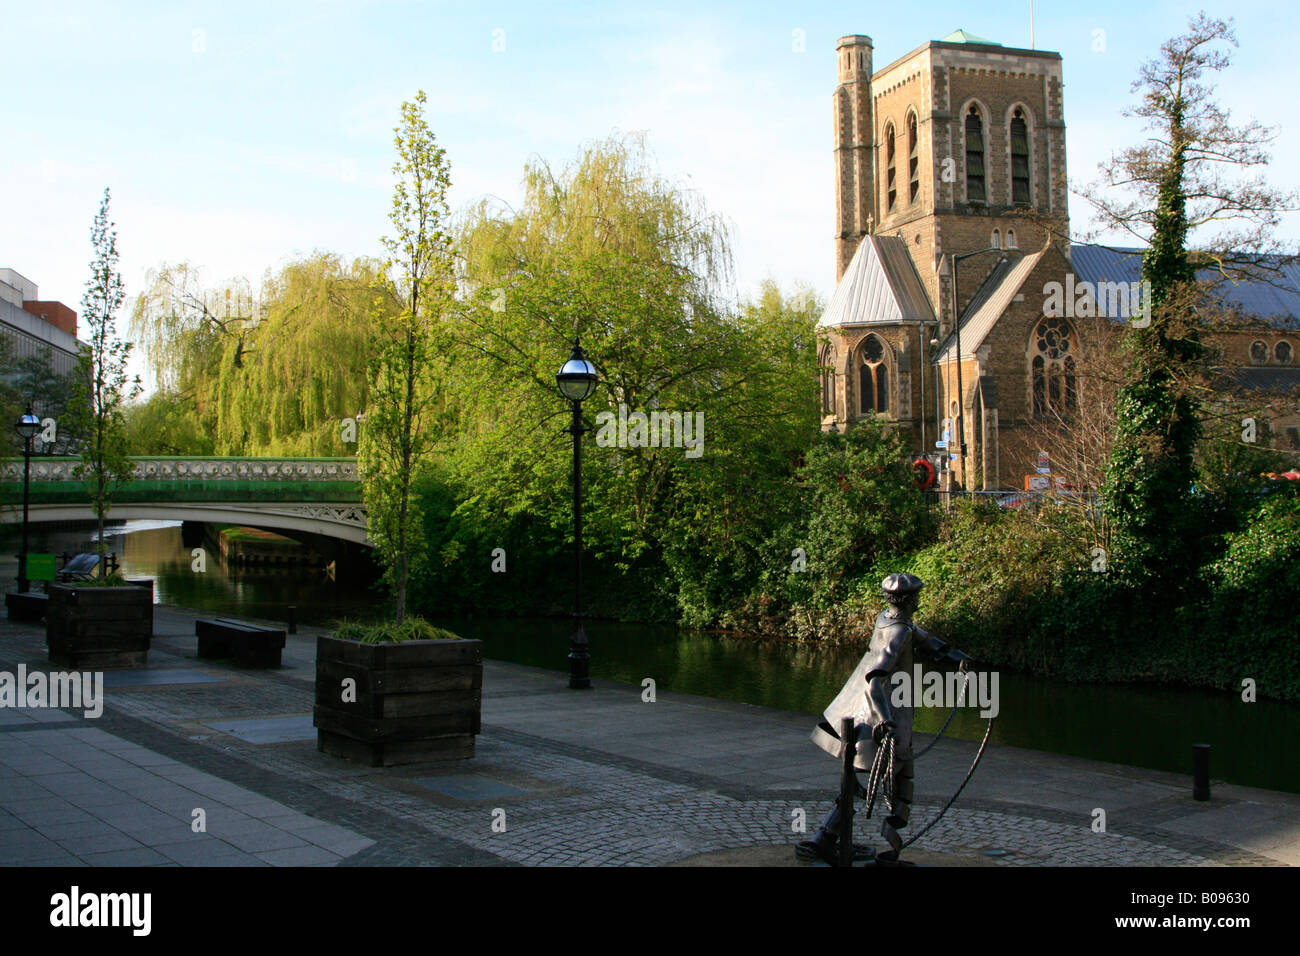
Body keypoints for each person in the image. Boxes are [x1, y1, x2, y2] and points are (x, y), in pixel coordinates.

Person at [795, 572, 971, 864]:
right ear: (910, 599)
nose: (919, 599)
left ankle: (829, 839)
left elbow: (924, 639)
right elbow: (875, 679)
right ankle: (832, 841)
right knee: (883, 779)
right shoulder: (899, 631)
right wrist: (885, 720)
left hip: (855, 706)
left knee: (860, 782)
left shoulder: (890, 619)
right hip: (875, 713)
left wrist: (956, 657)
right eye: (916, 595)